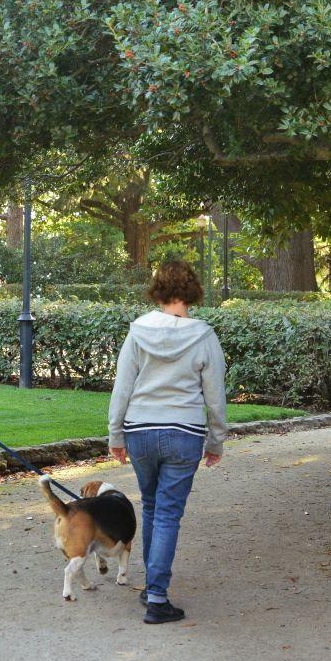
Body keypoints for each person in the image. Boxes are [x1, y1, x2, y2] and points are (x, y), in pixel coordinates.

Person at [107, 259, 227, 624]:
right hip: (184, 433)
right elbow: (215, 397)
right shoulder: (204, 337)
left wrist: (116, 434)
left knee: (152, 506)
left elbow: (122, 387)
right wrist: (216, 440)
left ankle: (150, 588)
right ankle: (157, 596)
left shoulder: (138, 332)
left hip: (140, 430)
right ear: (192, 291)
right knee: (168, 513)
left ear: (158, 290)